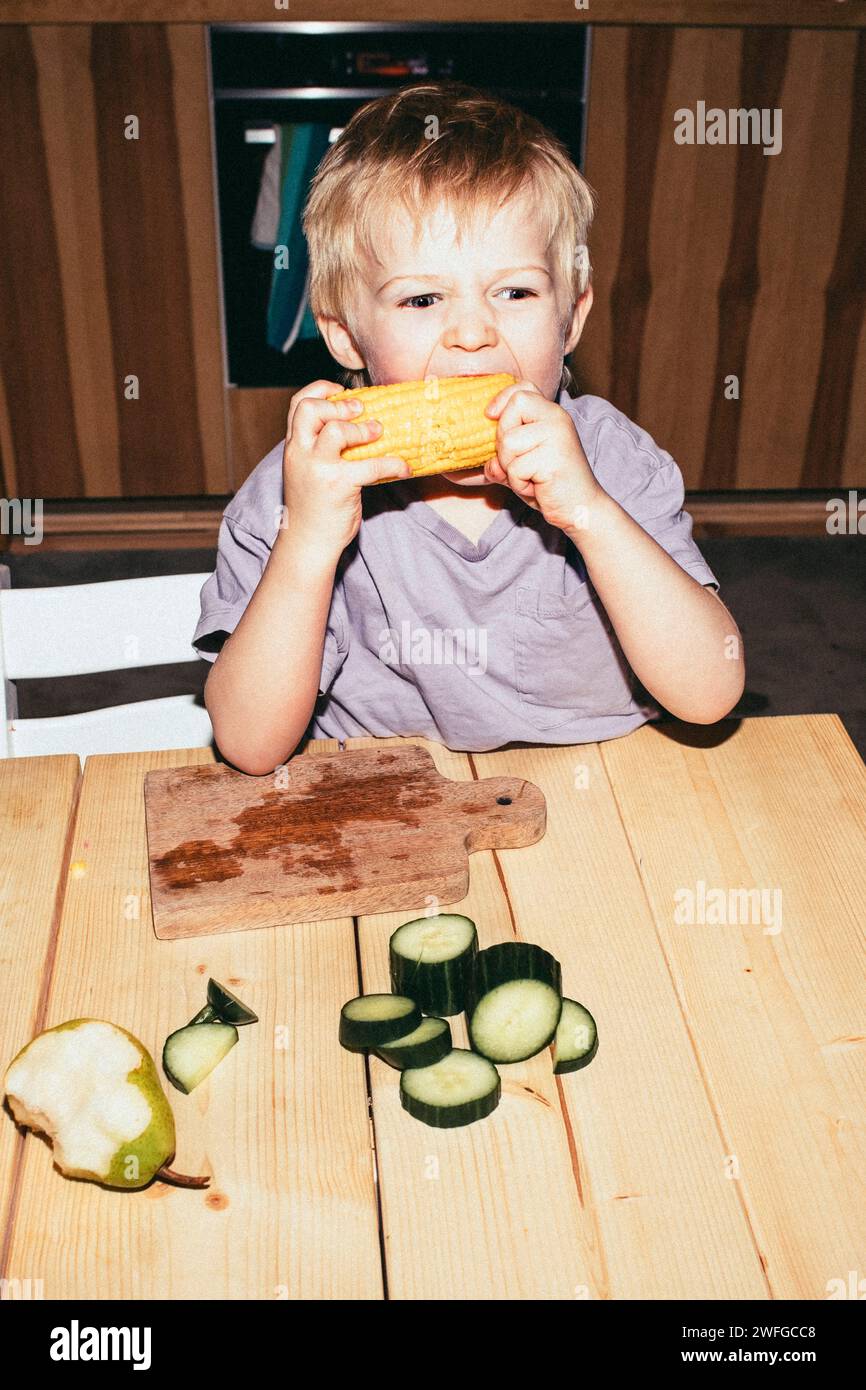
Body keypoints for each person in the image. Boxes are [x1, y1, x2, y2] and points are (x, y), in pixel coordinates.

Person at [194, 81, 745, 776]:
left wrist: (592, 517)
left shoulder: (613, 462)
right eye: (422, 298)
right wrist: (306, 544)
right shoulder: (298, 488)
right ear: (343, 335)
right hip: (383, 796)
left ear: (571, 317)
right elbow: (248, 744)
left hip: (609, 783)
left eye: (514, 292)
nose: (474, 333)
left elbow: (711, 694)